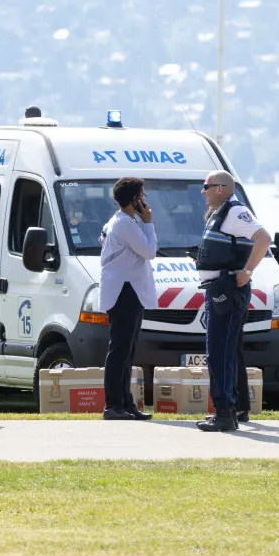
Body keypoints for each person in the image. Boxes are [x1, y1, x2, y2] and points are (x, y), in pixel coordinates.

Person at [193, 170, 271, 433]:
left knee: (220, 353)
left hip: (227, 289)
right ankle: (229, 409)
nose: (202, 192)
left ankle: (225, 413)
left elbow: (263, 238)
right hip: (217, 289)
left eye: (206, 186)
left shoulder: (236, 212)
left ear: (220, 188)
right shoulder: (220, 212)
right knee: (220, 352)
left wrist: (247, 270)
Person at [98, 176, 157, 421]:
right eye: (142, 195)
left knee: (128, 351)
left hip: (130, 290)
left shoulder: (124, 222)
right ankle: (113, 405)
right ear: (134, 199)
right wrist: (149, 223)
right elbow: (150, 251)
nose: (145, 200)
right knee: (120, 351)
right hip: (125, 291)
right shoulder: (125, 224)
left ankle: (126, 403)